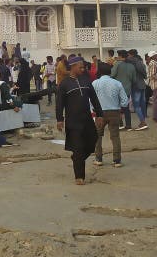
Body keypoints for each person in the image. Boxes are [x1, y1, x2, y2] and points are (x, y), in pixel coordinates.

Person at [56, 56, 104, 185]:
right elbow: (59, 103)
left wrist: (99, 114)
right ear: (73, 67)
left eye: (83, 67)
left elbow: (94, 98)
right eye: (80, 67)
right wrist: (59, 119)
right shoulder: (64, 84)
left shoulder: (86, 80)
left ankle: (78, 158)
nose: (83, 69)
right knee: (78, 147)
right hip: (73, 122)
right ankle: (79, 176)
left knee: (93, 141)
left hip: (87, 119)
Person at [92, 63, 128, 167]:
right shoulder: (117, 83)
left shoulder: (95, 83)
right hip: (114, 112)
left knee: (98, 136)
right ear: (110, 72)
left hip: (99, 113)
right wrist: (119, 107)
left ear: (100, 72)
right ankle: (117, 161)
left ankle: (98, 159)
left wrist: (92, 111)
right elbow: (125, 101)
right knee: (115, 137)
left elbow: (90, 99)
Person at [110, 50, 137, 130]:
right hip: (127, 90)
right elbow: (134, 80)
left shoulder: (117, 64)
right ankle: (128, 125)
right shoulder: (131, 66)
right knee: (126, 108)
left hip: (117, 89)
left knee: (117, 108)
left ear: (120, 56)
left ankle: (120, 124)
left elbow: (112, 75)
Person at [126, 50, 148, 131]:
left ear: (131, 55)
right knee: (142, 103)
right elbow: (144, 73)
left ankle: (142, 122)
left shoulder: (132, 62)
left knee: (136, 105)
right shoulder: (140, 61)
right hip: (142, 84)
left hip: (136, 85)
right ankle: (143, 120)